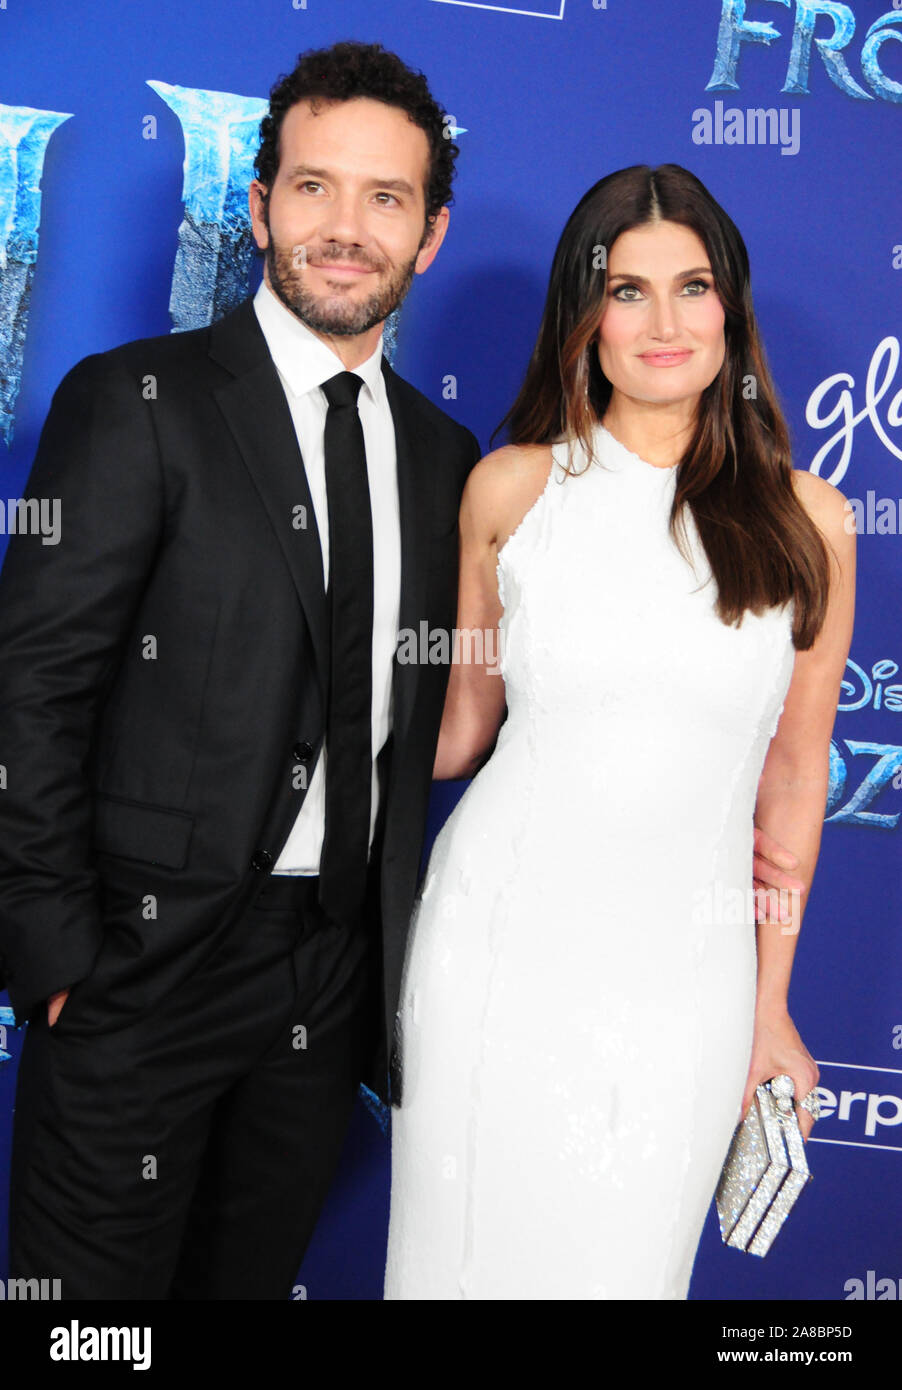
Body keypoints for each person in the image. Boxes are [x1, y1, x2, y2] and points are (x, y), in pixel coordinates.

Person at [0, 40, 480, 1300]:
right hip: (137, 968)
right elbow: (31, 687)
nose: (345, 227)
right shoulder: (138, 400)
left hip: (325, 977)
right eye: (313, 187)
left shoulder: (445, 458)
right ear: (259, 206)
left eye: (385, 199)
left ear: (427, 235)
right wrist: (58, 962)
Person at [384, 164, 856, 1300]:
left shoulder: (810, 521)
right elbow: (455, 728)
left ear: (729, 312)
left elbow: (792, 783)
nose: (660, 322)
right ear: (582, 317)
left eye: (690, 288)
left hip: (684, 981)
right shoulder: (511, 490)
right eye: (625, 290)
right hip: (489, 956)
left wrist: (769, 1001)